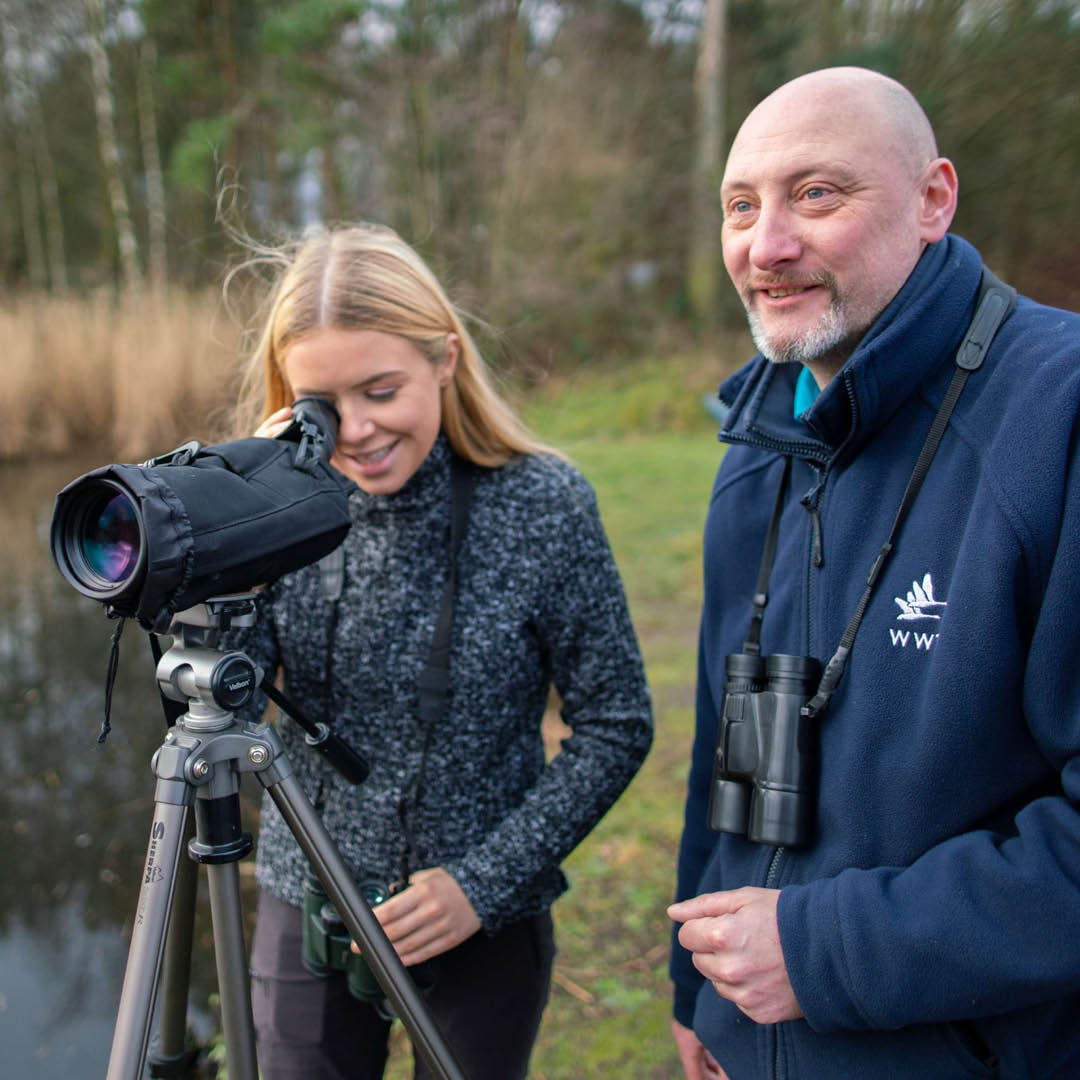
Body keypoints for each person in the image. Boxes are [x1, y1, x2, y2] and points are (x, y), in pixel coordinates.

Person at [668, 66, 1080, 1079]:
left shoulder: (1058, 415)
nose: (766, 246)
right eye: (740, 206)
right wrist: (698, 995)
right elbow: (728, 744)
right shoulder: (758, 444)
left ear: (933, 199)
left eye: (816, 194)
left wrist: (825, 951)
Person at [225, 222, 653, 1079]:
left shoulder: (542, 506)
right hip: (305, 901)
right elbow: (223, 710)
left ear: (445, 360)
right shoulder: (271, 517)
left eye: (381, 390)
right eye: (321, 404)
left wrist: (482, 883)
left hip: (485, 925)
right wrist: (240, 527)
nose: (354, 430)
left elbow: (616, 723)